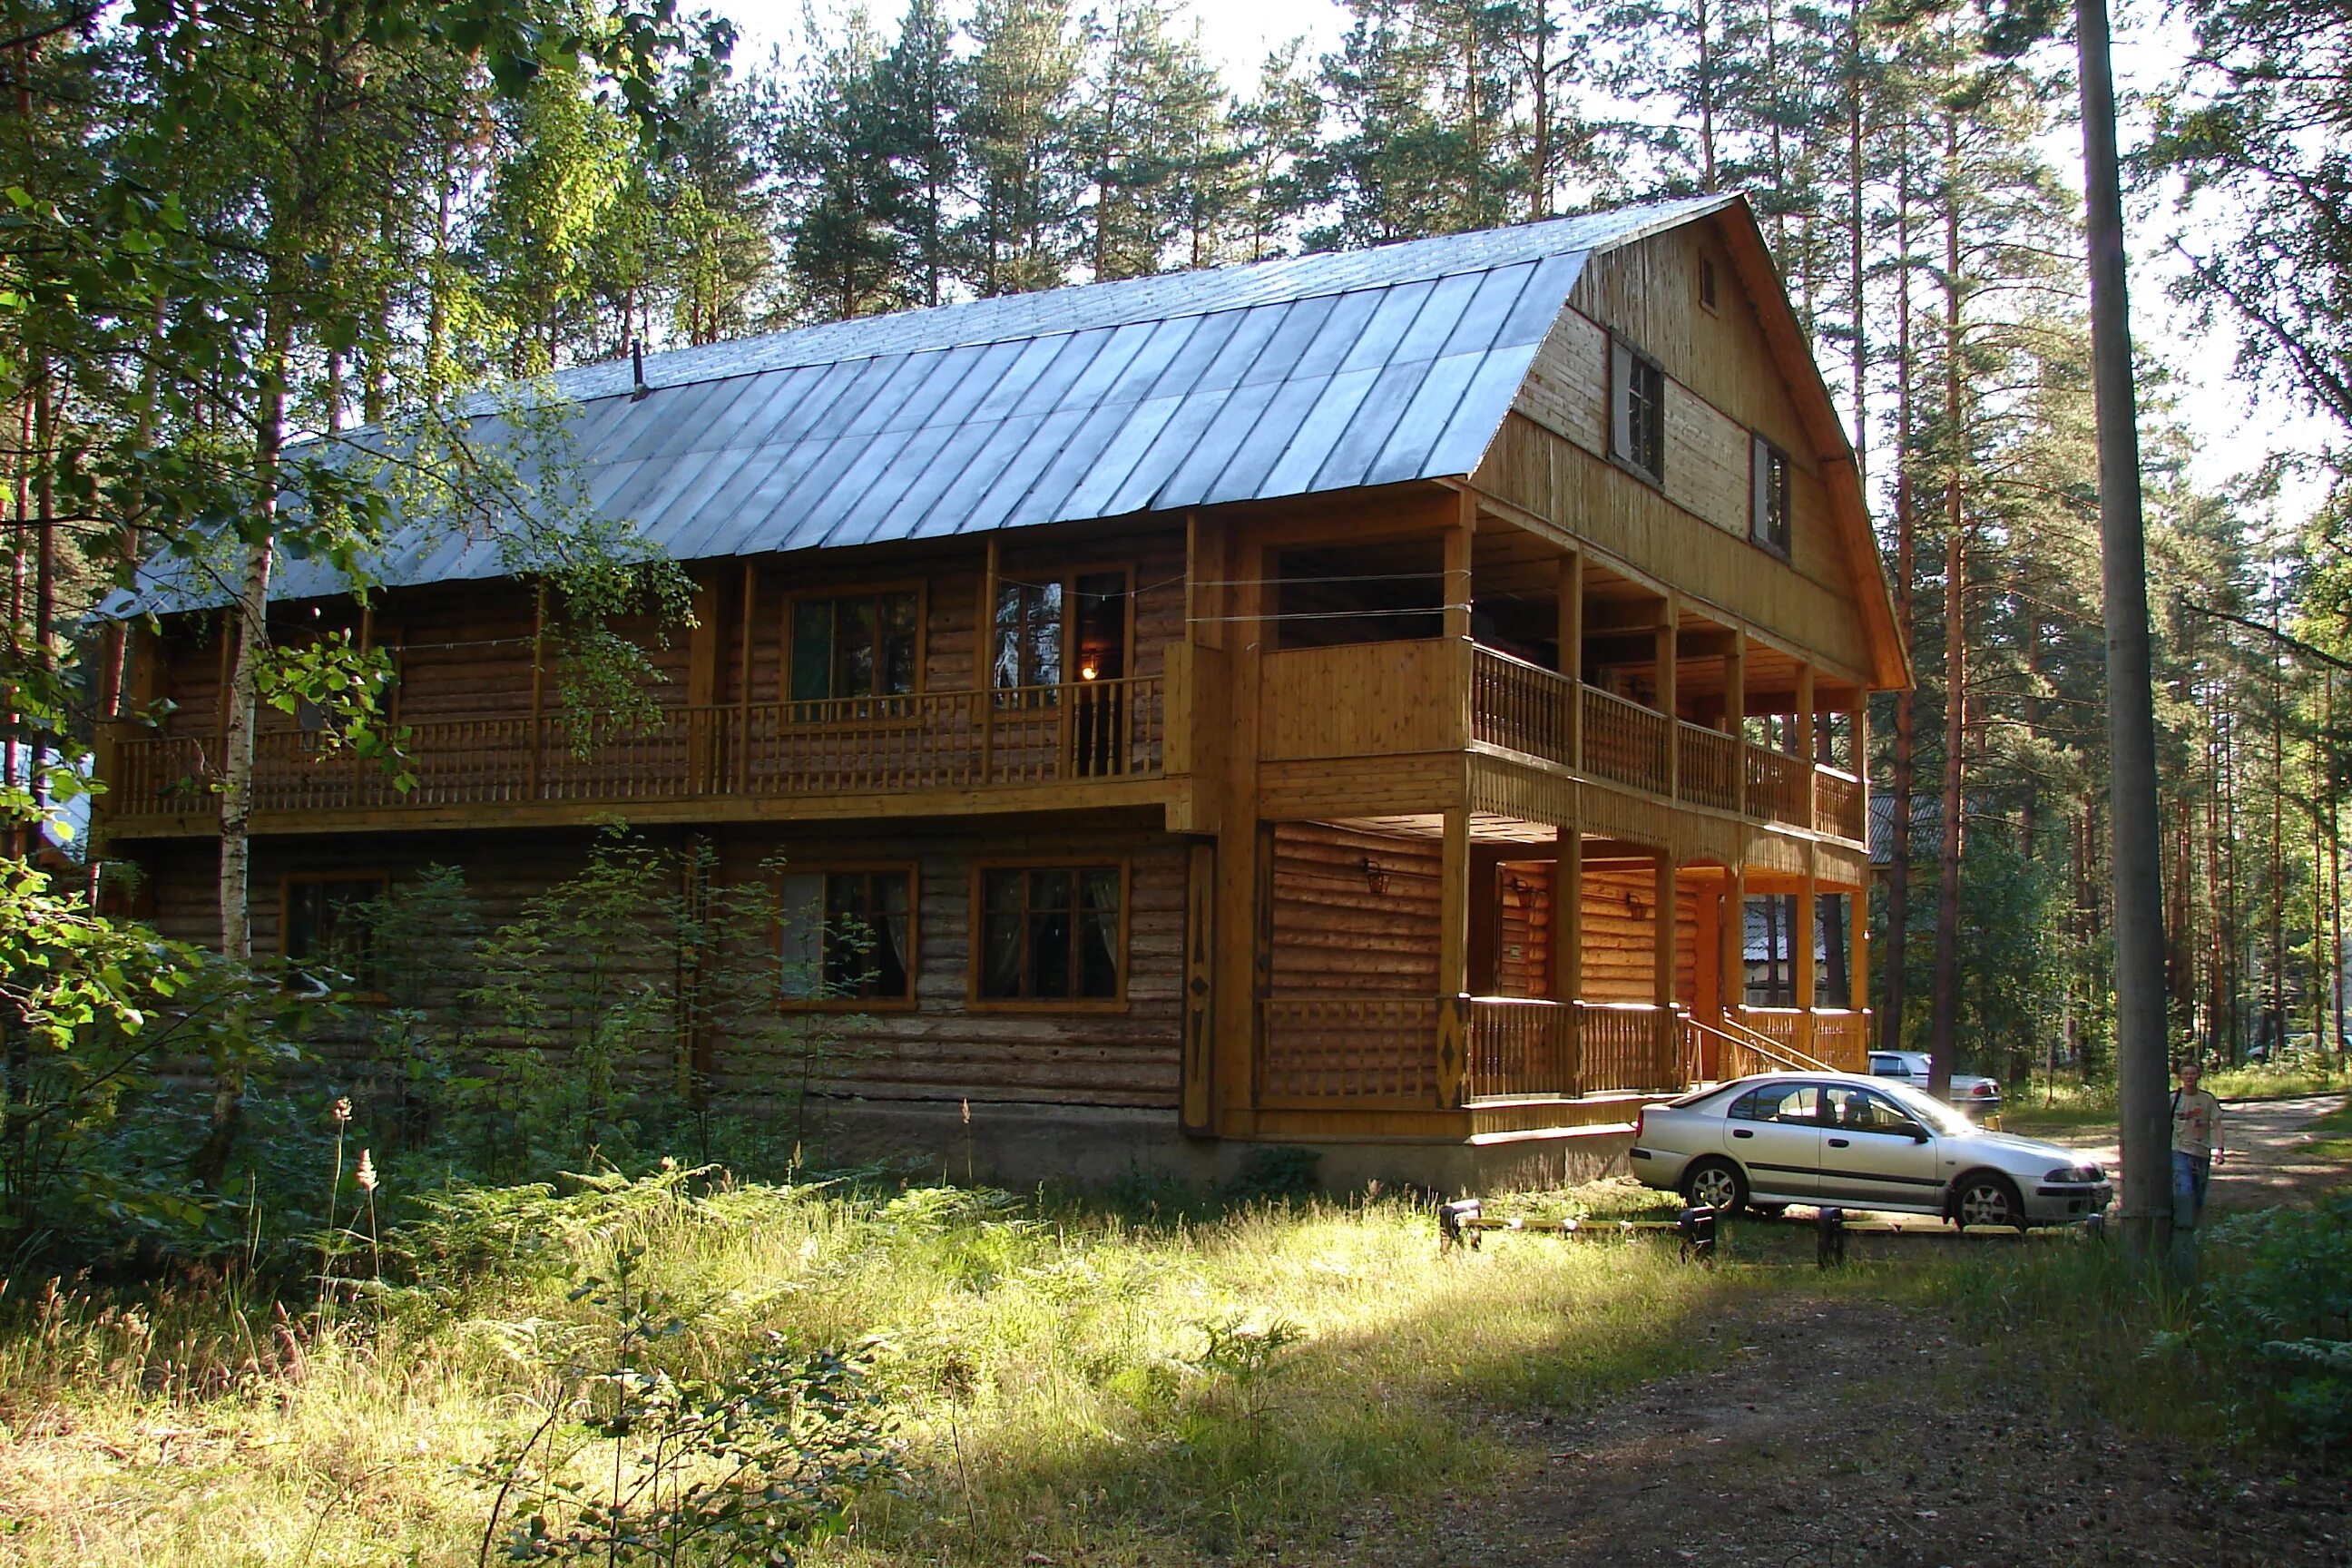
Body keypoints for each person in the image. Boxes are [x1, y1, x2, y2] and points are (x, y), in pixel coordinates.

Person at [2171, 1059, 2227, 1225]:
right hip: (2179, 1149)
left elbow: (2217, 1125)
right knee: (2184, 1188)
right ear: (2180, 1077)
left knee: (2198, 1191)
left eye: (2193, 1073)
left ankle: (2195, 1222)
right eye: (2186, 1074)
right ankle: (2182, 1224)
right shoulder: (2174, 1099)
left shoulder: (2207, 1099)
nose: (2189, 1077)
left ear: (2198, 1076)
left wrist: (2220, 1149)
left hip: (2202, 1151)